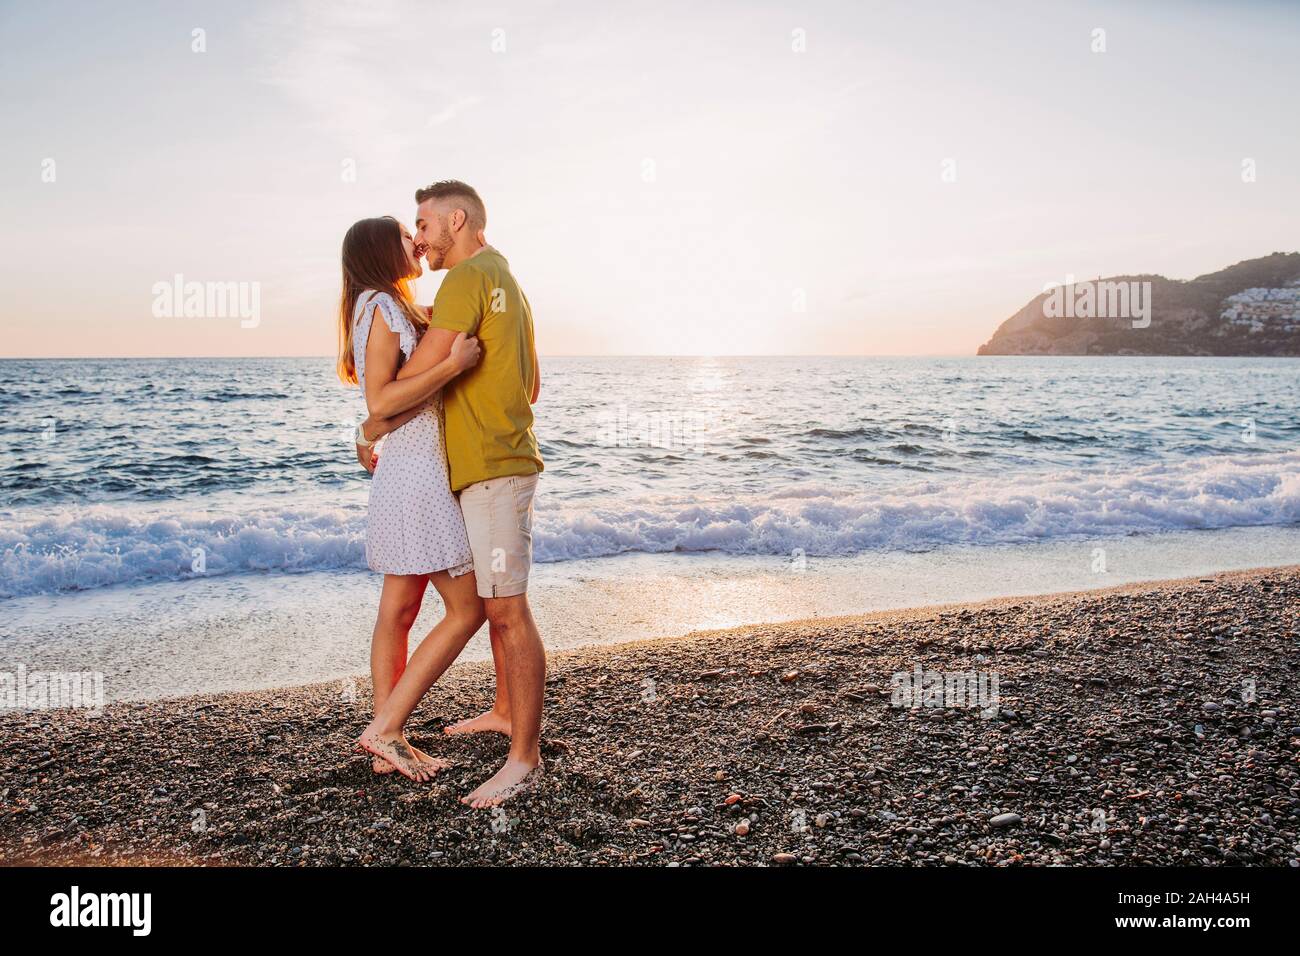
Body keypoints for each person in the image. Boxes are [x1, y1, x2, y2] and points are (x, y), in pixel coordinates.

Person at [359, 181, 545, 807]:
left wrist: (374, 421)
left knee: (502, 609)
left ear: (456, 221)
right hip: (498, 461)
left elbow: (409, 379)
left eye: (424, 225)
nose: (419, 239)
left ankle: (524, 757)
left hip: (489, 469)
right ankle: (501, 712)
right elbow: (534, 384)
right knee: (490, 603)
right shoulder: (507, 280)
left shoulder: (463, 281)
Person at [336, 215, 485, 782]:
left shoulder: (386, 303)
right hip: (417, 474)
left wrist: (368, 434)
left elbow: (377, 417)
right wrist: (450, 365)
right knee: (466, 608)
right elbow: (380, 401)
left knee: (397, 612)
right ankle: (387, 730)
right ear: (380, 249)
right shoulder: (380, 304)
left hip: (408, 468)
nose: (416, 241)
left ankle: (387, 735)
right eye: (406, 234)